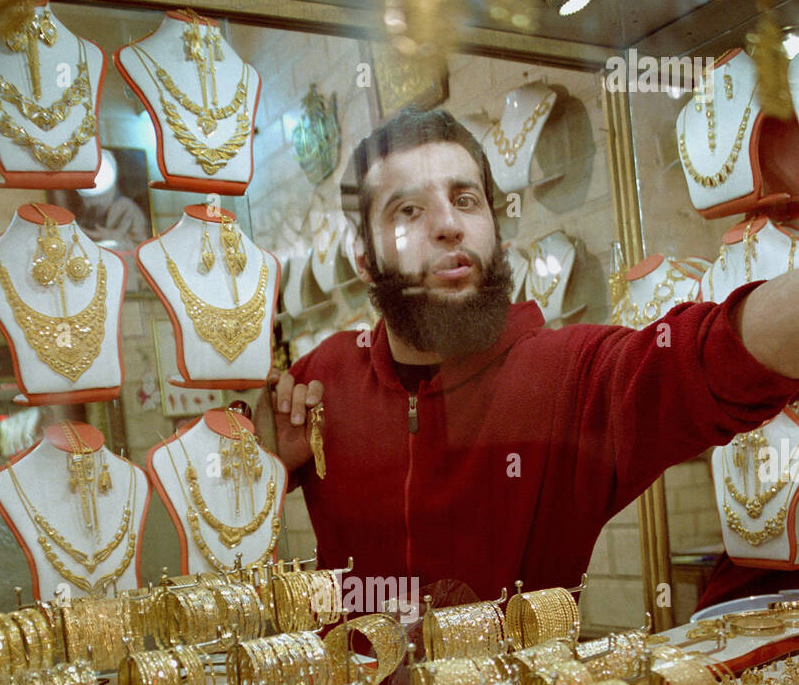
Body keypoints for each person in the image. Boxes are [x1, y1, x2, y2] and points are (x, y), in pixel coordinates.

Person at [255, 107, 799, 608]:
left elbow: (707, 359)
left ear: (496, 230)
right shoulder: (323, 379)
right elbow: (224, 504)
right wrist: (267, 461)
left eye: (465, 200)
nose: (449, 224)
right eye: (409, 210)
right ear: (365, 261)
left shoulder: (570, 375)